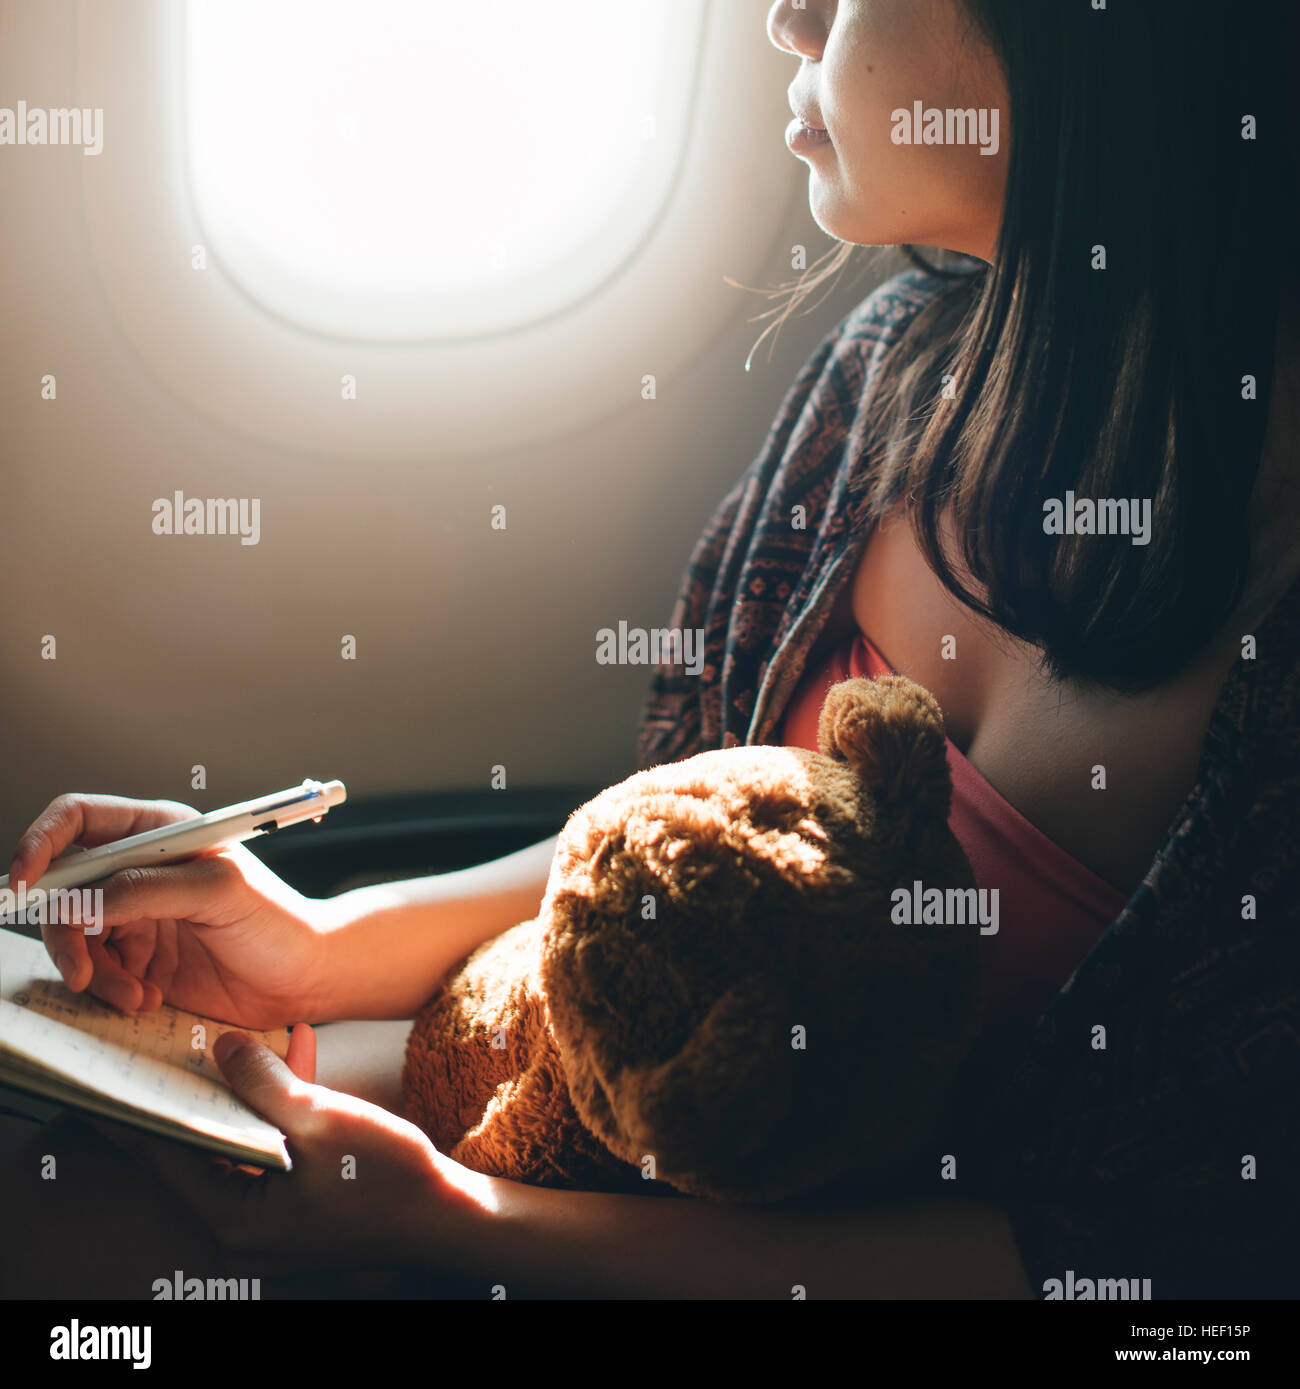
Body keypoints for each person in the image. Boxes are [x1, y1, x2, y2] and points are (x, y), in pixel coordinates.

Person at [3, 0, 1297, 1299]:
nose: (788, 19)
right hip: (598, 1104)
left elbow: (1148, 1256)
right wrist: (323, 941)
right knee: (88, 1191)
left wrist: (458, 1225)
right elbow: (677, 854)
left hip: (863, 1241)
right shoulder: (888, 382)